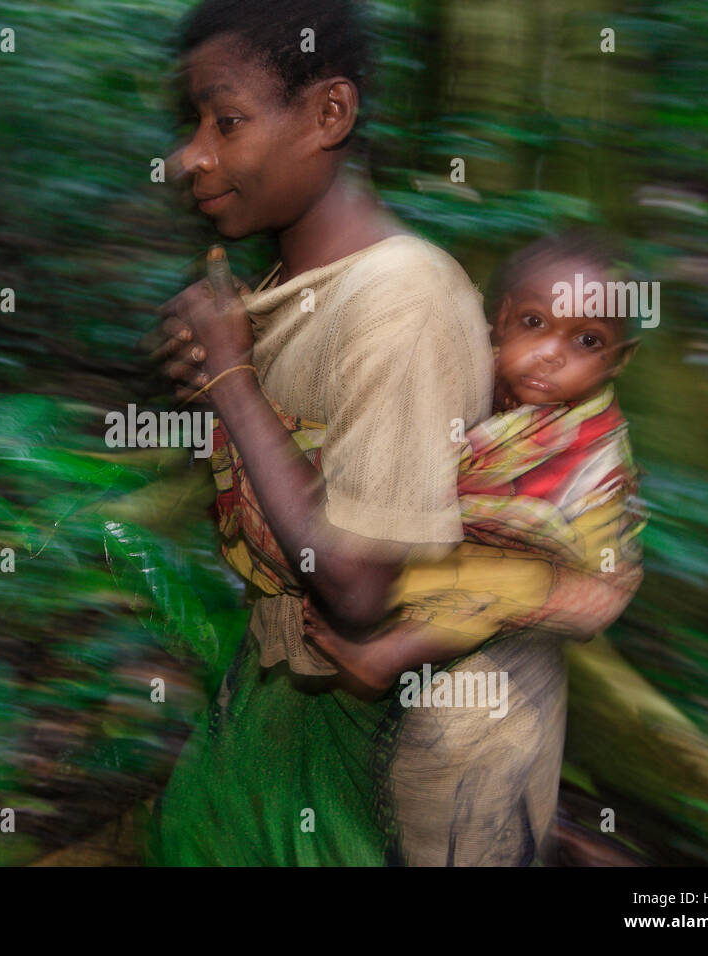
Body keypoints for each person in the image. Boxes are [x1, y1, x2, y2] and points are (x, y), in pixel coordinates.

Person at [148, 0, 631, 865]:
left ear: (328, 115)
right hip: (274, 700)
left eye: (225, 120)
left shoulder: (401, 300)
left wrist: (231, 379)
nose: (190, 155)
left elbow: (356, 586)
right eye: (190, 124)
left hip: (370, 747)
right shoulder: (296, 284)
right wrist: (222, 376)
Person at [298, 231, 647, 696]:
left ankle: (390, 656)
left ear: (617, 362)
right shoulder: (463, 367)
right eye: (534, 322)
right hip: (430, 536)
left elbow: (597, 557)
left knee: (520, 584)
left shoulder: (595, 449)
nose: (550, 355)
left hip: (532, 571)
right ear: (503, 320)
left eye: (586, 341)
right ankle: (356, 589)